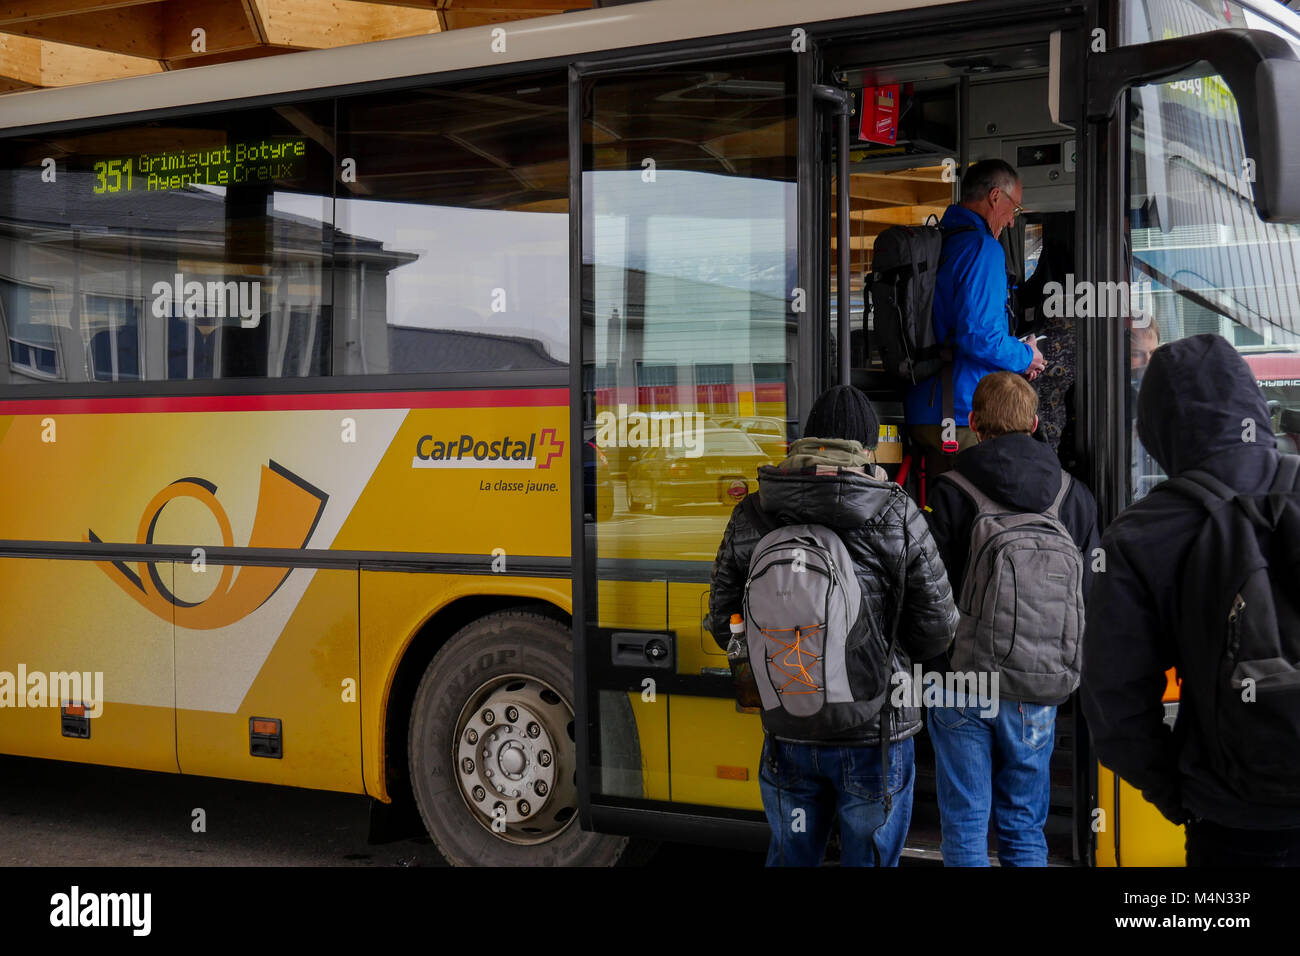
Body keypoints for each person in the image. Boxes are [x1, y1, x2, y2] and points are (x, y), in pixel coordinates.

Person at [708, 385, 958, 866]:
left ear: (808, 439)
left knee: (791, 856)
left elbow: (724, 623)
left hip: (786, 726)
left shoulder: (753, 511)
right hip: (875, 731)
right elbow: (937, 631)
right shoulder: (896, 511)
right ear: (867, 449)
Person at [1081, 334, 1300, 866]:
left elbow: (1117, 708)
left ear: (1154, 429)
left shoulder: (1138, 537)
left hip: (1234, 824)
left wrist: (1186, 794)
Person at [923, 371, 1099, 866]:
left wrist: (934, 665)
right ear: (1036, 422)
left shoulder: (950, 489)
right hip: (1038, 685)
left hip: (961, 681)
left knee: (966, 824)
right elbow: (1090, 591)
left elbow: (927, 591)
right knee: (1024, 825)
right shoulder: (1074, 496)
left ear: (974, 423)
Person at [905, 159, 1046, 486]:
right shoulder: (982, 248)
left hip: (925, 408)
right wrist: (1027, 356)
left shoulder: (942, 240)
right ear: (995, 197)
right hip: (962, 413)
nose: (1012, 222)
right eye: (1015, 208)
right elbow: (980, 337)